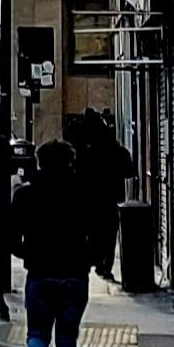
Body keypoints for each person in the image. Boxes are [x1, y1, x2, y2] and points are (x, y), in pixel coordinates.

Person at [9, 139, 99, 347]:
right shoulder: (84, 194)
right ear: (70, 163)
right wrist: (91, 259)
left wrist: (29, 254)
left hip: (40, 275)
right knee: (67, 343)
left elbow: (11, 238)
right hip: (74, 276)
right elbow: (102, 230)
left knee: (36, 334)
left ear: (39, 163)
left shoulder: (25, 195)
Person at [68, 108, 133, 282]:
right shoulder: (113, 148)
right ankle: (104, 265)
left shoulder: (82, 150)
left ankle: (94, 261)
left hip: (88, 199)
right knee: (109, 234)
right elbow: (129, 171)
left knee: (90, 232)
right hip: (110, 198)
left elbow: (75, 173)